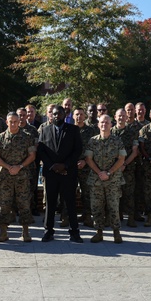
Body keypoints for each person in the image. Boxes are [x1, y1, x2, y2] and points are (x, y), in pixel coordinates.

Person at [38, 104, 84, 243]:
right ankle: (48, 231)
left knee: (70, 203)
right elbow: (41, 151)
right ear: (50, 115)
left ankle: (74, 232)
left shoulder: (74, 130)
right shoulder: (44, 130)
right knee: (50, 204)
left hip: (68, 172)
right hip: (51, 173)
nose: (56, 116)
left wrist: (65, 165)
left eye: (59, 113)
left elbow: (77, 150)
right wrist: (52, 166)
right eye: (54, 114)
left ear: (65, 115)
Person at [0, 114, 37, 242]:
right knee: (4, 204)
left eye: (15, 122)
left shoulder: (28, 137)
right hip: (5, 176)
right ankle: (3, 232)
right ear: (6, 122)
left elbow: (32, 155)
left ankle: (26, 232)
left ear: (19, 122)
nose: (13, 124)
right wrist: (8, 167)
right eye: (11, 122)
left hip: (22, 176)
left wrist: (20, 166)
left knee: (24, 203)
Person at [84, 114, 126, 243]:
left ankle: (116, 232)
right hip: (96, 180)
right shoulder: (93, 141)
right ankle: (99, 232)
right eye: (102, 122)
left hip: (113, 179)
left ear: (111, 125)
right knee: (96, 207)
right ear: (98, 125)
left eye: (107, 122)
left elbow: (121, 159)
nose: (104, 125)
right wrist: (99, 173)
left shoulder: (117, 141)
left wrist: (108, 172)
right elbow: (88, 159)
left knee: (113, 206)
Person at [113, 108, 140, 228]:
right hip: (113, 169)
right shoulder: (110, 131)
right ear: (115, 117)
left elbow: (135, 152)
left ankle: (131, 217)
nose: (121, 118)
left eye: (123, 116)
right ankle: (115, 216)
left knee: (129, 193)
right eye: (119, 116)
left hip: (127, 167)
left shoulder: (132, 132)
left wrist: (124, 164)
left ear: (126, 117)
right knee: (114, 193)